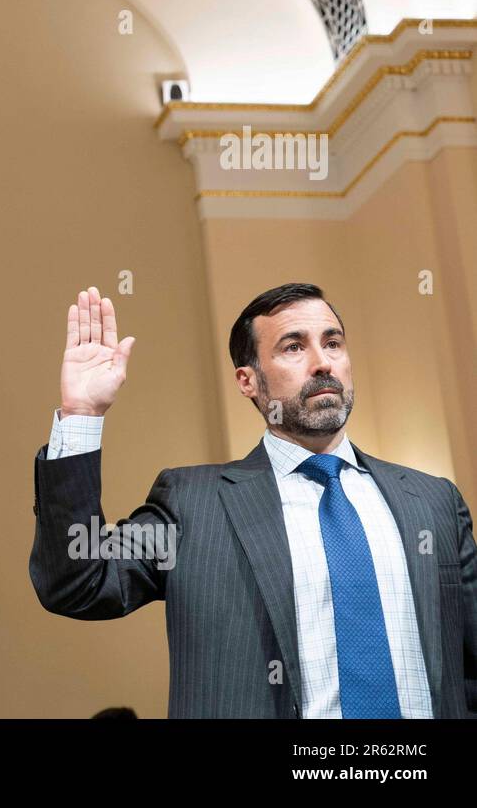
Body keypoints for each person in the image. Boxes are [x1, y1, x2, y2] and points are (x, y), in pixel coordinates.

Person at [30, 283, 476, 718]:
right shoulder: (193, 505)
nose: (323, 363)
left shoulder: (433, 501)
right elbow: (79, 583)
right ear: (248, 380)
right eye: (293, 347)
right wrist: (82, 416)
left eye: (333, 343)